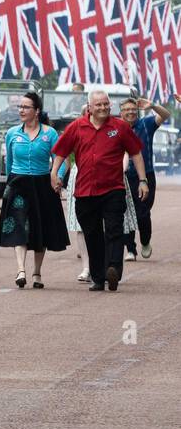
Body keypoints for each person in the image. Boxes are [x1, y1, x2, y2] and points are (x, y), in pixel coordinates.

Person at [52, 90, 147, 292]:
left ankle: (113, 268)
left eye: (106, 104)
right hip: (85, 191)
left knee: (114, 229)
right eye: (99, 105)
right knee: (92, 235)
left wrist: (143, 180)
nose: (103, 108)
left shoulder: (119, 127)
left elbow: (136, 153)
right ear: (89, 107)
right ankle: (97, 277)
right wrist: (55, 174)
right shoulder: (77, 127)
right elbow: (61, 151)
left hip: (113, 189)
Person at [0, 92, 69, 289]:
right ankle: (21, 269)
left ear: (36, 111)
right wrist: (9, 184)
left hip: (43, 185)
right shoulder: (12, 133)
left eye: (26, 107)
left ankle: (37, 271)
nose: (21, 110)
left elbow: (61, 160)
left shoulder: (50, 134)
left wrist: (58, 178)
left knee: (40, 228)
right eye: (20, 107)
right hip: (19, 184)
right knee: (19, 225)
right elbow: (10, 162)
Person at [119, 96, 170, 260]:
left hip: (146, 175)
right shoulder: (116, 127)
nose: (130, 112)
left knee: (142, 213)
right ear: (121, 112)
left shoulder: (147, 124)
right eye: (126, 110)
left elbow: (166, 115)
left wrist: (153, 105)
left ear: (138, 111)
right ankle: (130, 250)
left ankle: (145, 241)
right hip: (123, 176)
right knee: (126, 212)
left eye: (133, 109)